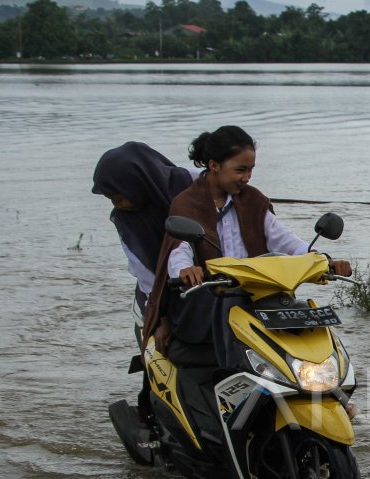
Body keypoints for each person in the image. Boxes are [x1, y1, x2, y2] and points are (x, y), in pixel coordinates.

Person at [143, 125, 350, 368]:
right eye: (240, 170)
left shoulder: (253, 200)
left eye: (250, 170)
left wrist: (322, 260)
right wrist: (185, 270)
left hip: (254, 292)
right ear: (214, 165)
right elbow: (180, 248)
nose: (246, 177)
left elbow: (283, 239)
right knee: (229, 303)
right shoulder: (187, 203)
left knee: (296, 307)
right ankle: (235, 372)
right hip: (206, 298)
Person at [91, 142, 195, 345]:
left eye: (118, 198)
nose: (117, 206)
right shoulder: (127, 222)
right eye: (111, 200)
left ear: (137, 184)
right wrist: (160, 318)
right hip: (162, 289)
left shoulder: (188, 181)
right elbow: (146, 272)